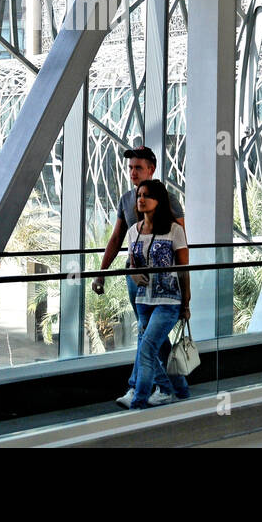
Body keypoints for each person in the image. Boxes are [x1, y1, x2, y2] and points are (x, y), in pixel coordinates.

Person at [92, 146, 187, 402]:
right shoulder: (127, 199)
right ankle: (176, 386)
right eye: (131, 167)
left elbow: (179, 240)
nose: (133, 172)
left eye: (138, 167)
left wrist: (182, 292)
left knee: (146, 335)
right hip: (137, 281)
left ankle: (140, 387)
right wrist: (101, 273)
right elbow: (116, 238)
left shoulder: (168, 199)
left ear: (151, 169)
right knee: (149, 334)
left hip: (164, 283)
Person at [120, 178, 189, 409]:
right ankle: (179, 389)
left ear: (158, 201)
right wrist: (132, 273)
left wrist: (186, 303)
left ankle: (139, 402)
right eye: (140, 195)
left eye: (147, 195)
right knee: (160, 348)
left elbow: (183, 270)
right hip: (143, 300)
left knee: (147, 347)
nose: (141, 199)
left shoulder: (174, 230)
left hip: (168, 301)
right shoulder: (133, 232)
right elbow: (131, 265)